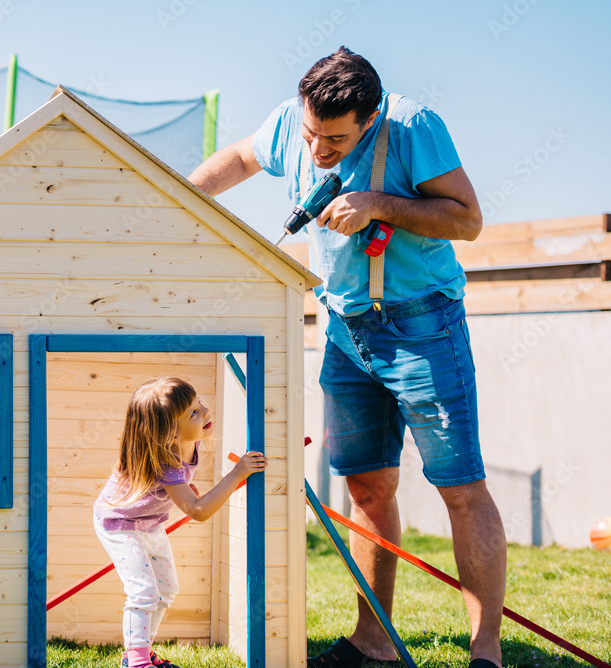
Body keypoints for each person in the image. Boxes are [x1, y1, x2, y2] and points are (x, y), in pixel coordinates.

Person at [187, 47, 506, 668]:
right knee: (365, 487)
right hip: (342, 331)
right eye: (310, 134)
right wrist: (183, 201)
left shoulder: (414, 128)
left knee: (461, 488)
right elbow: (239, 159)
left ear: (370, 117)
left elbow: (468, 221)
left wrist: (381, 204)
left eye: (333, 140)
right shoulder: (293, 121)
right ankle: (374, 643)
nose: (315, 151)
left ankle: (486, 654)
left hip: (422, 328)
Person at [94, 376, 268, 668]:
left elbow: (182, 492)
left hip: (149, 523)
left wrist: (189, 492)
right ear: (171, 436)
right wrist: (237, 474)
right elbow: (198, 511)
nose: (204, 411)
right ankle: (136, 660)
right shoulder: (167, 463)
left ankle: (142, 650)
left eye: (198, 402)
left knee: (166, 590)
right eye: (193, 413)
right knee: (144, 591)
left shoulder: (190, 443)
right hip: (120, 525)